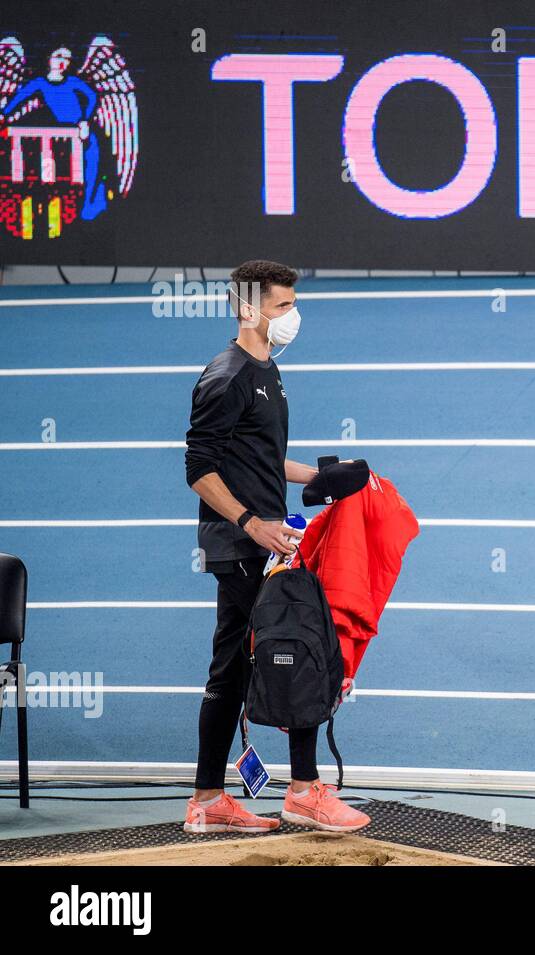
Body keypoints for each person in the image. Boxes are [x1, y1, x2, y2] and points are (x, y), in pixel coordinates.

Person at [182, 259, 369, 833]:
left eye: (292, 304)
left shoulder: (265, 368)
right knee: (301, 639)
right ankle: (304, 789)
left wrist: (316, 476)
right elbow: (198, 468)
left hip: (257, 539)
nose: (293, 315)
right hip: (244, 545)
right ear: (248, 308)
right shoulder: (228, 376)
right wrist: (251, 523)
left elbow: (258, 458)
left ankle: (209, 799)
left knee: (231, 669)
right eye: (282, 306)